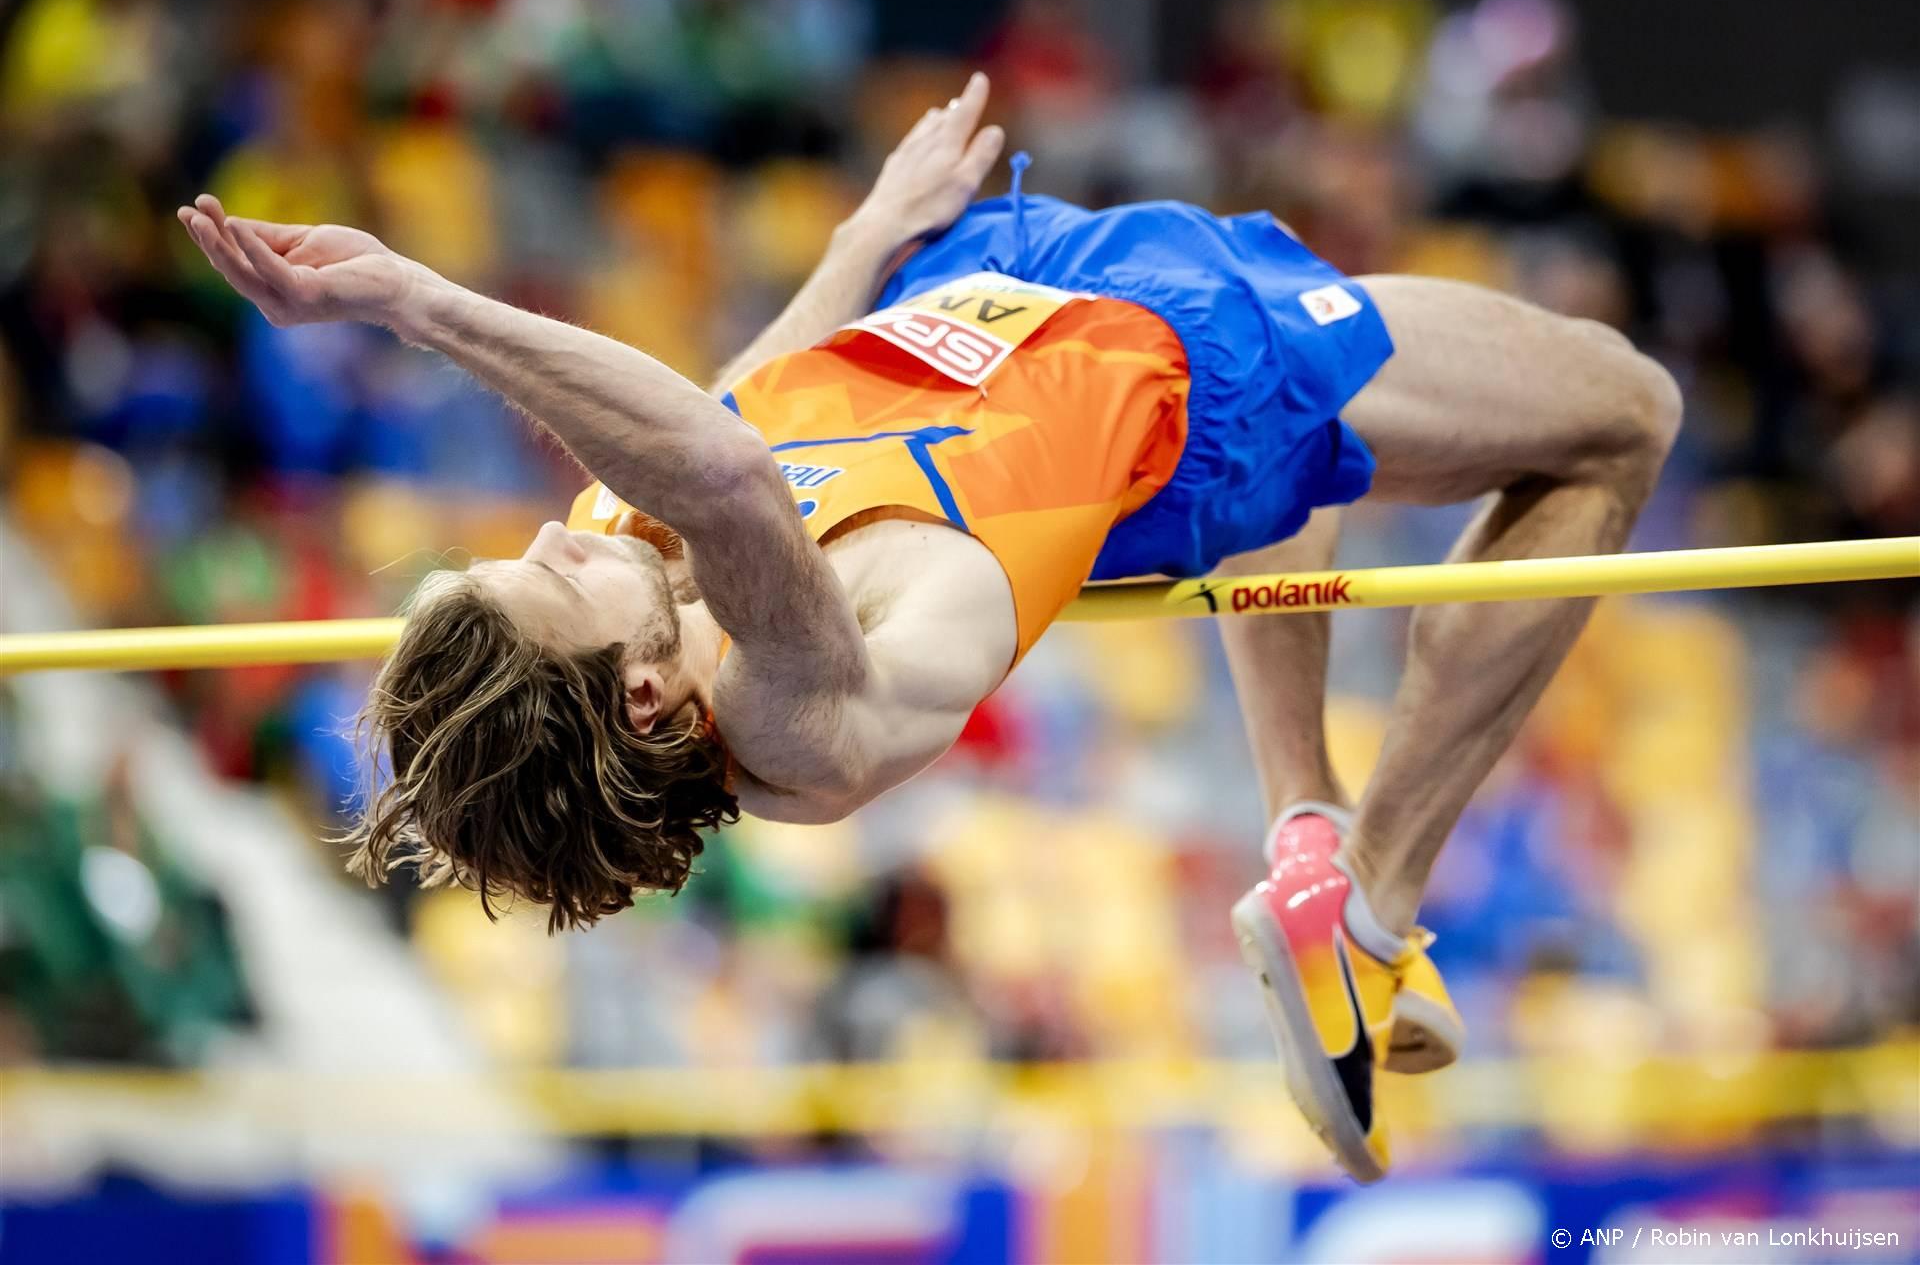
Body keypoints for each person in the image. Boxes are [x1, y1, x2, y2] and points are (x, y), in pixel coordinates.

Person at [177, 72, 1680, 1182]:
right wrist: (415, 302)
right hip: (1175, 370)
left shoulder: (636, 575)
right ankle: (1363, 897)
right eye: (553, 578)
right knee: (1621, 414)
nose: (557, 534)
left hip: (990, 291)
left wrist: (865, 233)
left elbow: (739, 401)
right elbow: (723, 465)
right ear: (642, 699)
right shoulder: (797, 720)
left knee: (1308, 492)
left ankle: (1309, 840)